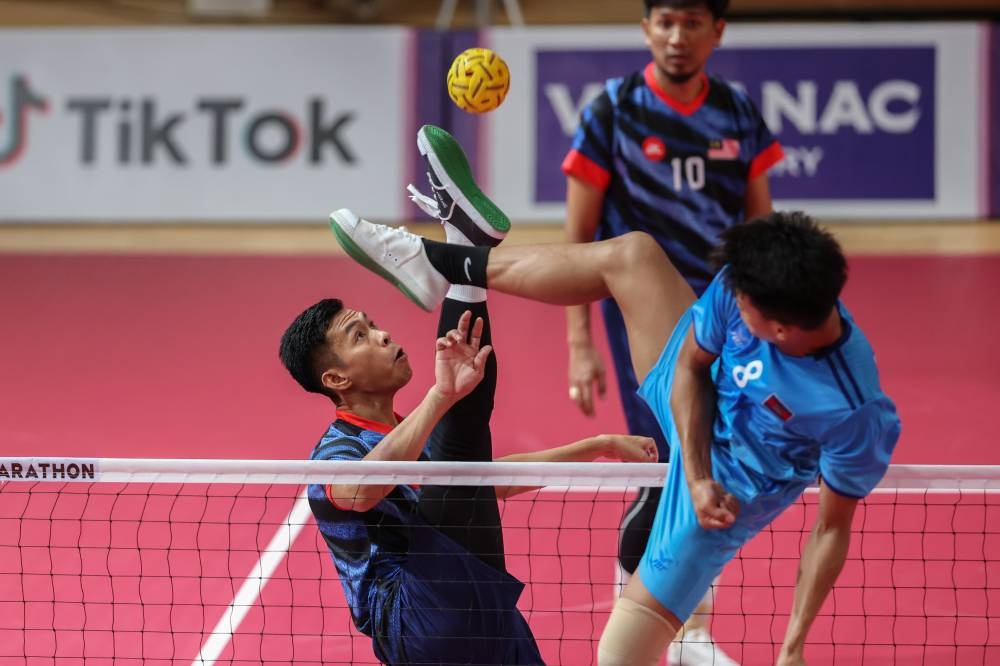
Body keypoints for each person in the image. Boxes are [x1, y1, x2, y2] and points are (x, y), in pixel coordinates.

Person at [327, 127, 900, 666]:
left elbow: (831, 529)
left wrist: (793, 647)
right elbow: (696, 364)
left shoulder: (855, 412)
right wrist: (691, 466)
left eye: (746, 317)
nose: (730, 311)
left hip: (712, 508)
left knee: (616, 658)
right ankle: (451, 260)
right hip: (693, 416)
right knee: (635, 256)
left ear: (780, 330)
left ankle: (452, 260)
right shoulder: (744, 282)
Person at [279, 136, 657, 666]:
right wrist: (440, 395)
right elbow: (361, 491)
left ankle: (461, 252)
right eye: (360, 336)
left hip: (483, 612)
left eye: (374, 324)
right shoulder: (335, 452)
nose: (383, 335)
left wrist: (596, 445)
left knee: (463, 455)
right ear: (336, 379)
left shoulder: (410, 433)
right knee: (460, 425)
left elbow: (485, 481)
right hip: (416, 615)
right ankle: (459, 252)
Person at [563, 1, 783, 661]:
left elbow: (760, 227)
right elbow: (580, 238)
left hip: (723, 316)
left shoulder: (738, 112)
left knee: (707, 459)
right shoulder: (613, 109)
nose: (676, 37)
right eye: (664, 22)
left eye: (691, 23)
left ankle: (688, 627)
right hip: (640, 315)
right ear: (645, 29)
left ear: (717, 31)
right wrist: (579, 344)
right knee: (663, 462)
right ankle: (657, 622)